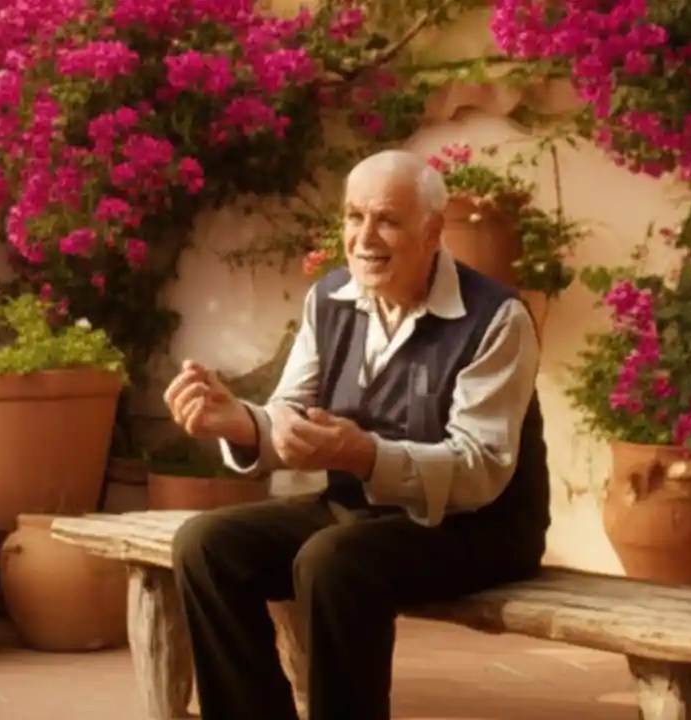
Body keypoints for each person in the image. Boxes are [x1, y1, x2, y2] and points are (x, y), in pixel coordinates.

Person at [162, 149, 550, 720]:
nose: (364, 237)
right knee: (207, 545)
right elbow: (290, 416)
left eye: (387, 220)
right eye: (353, 217)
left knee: (332, 561)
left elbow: (478, 469)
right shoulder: (332, 298)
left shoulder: (496, 319)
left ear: (432, 232)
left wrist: (365, 455)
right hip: (362, 514)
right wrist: (241, 423)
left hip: (476, 527)